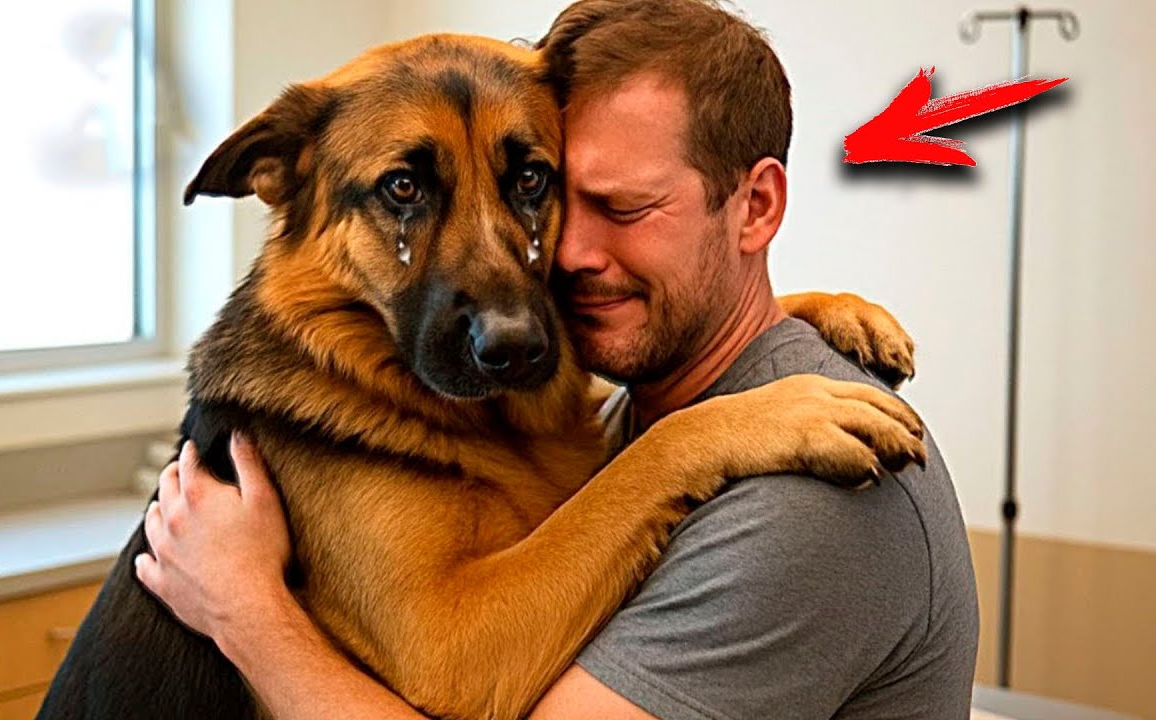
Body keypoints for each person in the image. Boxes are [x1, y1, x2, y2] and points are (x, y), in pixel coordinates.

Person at [134, 1, 979, 717]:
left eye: (532, 188)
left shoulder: (809, 497)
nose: (565, 252)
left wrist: (246, 611)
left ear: (754, 207)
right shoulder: (623, 408)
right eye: (405, 192)